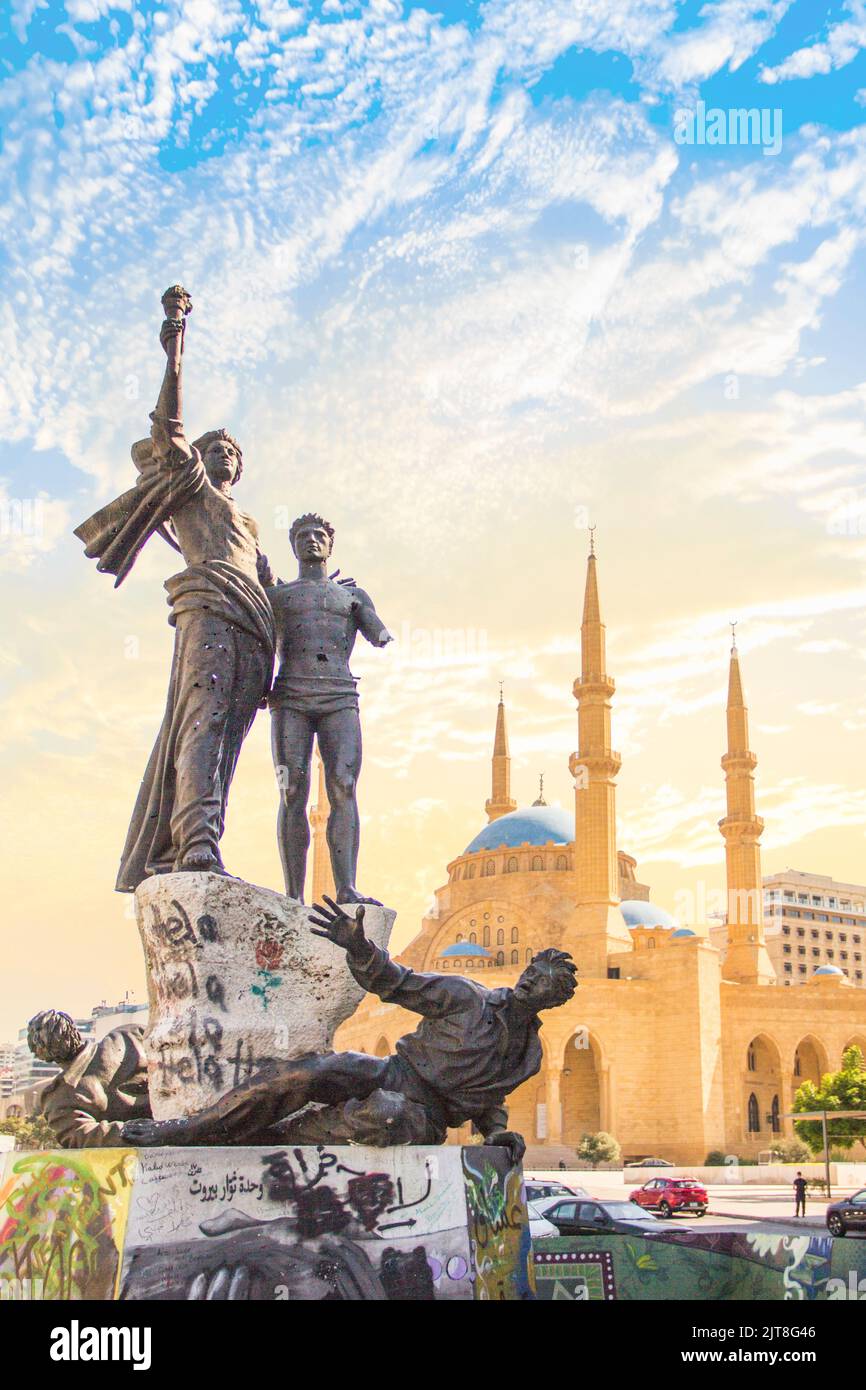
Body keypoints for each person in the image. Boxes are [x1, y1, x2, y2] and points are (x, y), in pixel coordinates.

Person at [75, 287, 276, 889]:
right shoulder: (192, 490)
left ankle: (205, 838)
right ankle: (194, 845)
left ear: (240, 467)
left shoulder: (251, 525)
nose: (221, 454)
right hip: (209, 612)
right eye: (213, 447)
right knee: (201, 724)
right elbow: (170, 424)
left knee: (228, 747)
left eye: (230, 451)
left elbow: (277, 590)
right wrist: (175, 346)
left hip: (254, 631)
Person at [122, 899, 578, 1162]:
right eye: (533, 971)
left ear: (553, 1000)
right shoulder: (465, 996)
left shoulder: (529, 1055)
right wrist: (359, 945)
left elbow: (489, 1099)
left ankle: (265, 1142)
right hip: (395, 1070)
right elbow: (394, 982)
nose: (530, 981)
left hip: (429, 1113)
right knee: (313, 1071)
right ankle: (191, 1130)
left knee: (388, 1114)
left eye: (544, 984)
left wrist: (495, 1131)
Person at [267, 515, 392, 903]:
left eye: (319, 536)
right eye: (302, 536)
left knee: (344, 785)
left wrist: (360, 607)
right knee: (293, 789)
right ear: (293, 546)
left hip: (339, 694)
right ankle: (292, 894)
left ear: (330, 545)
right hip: (291, 694)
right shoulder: (279, 597)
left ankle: (346, 888)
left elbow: (381, 635)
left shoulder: (352, 597)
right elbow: (258, 645)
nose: (311, 542)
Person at [27, 1010, 151, 1148]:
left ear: (40, 1054)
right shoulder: (129, 1033)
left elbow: (89, 1137)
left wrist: (156, 1130)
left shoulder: (59, 1097)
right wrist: (157, 1130)